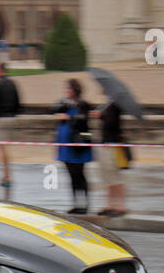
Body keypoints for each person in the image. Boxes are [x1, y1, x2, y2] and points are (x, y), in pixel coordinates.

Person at [54, 79, 92, 214]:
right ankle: (76, 203)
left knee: (79, 174)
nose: (67, 91)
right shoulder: (66, 103)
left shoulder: (83, 104)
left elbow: (82, 120)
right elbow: (53, 109)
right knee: (71, 175)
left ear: (75, 90)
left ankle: (85, 204)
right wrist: (61, 105)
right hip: (66, 145)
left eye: (69, 89)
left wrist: (67, 118)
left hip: (78, 144)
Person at [95, 97, 129, 217]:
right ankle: (111, 204)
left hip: (114, 144)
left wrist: (102, 116)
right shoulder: (108, 104)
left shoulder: (115, 104)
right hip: (106, 143)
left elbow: (113, 123)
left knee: (115, 175)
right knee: (108, 176)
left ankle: (120, 205)